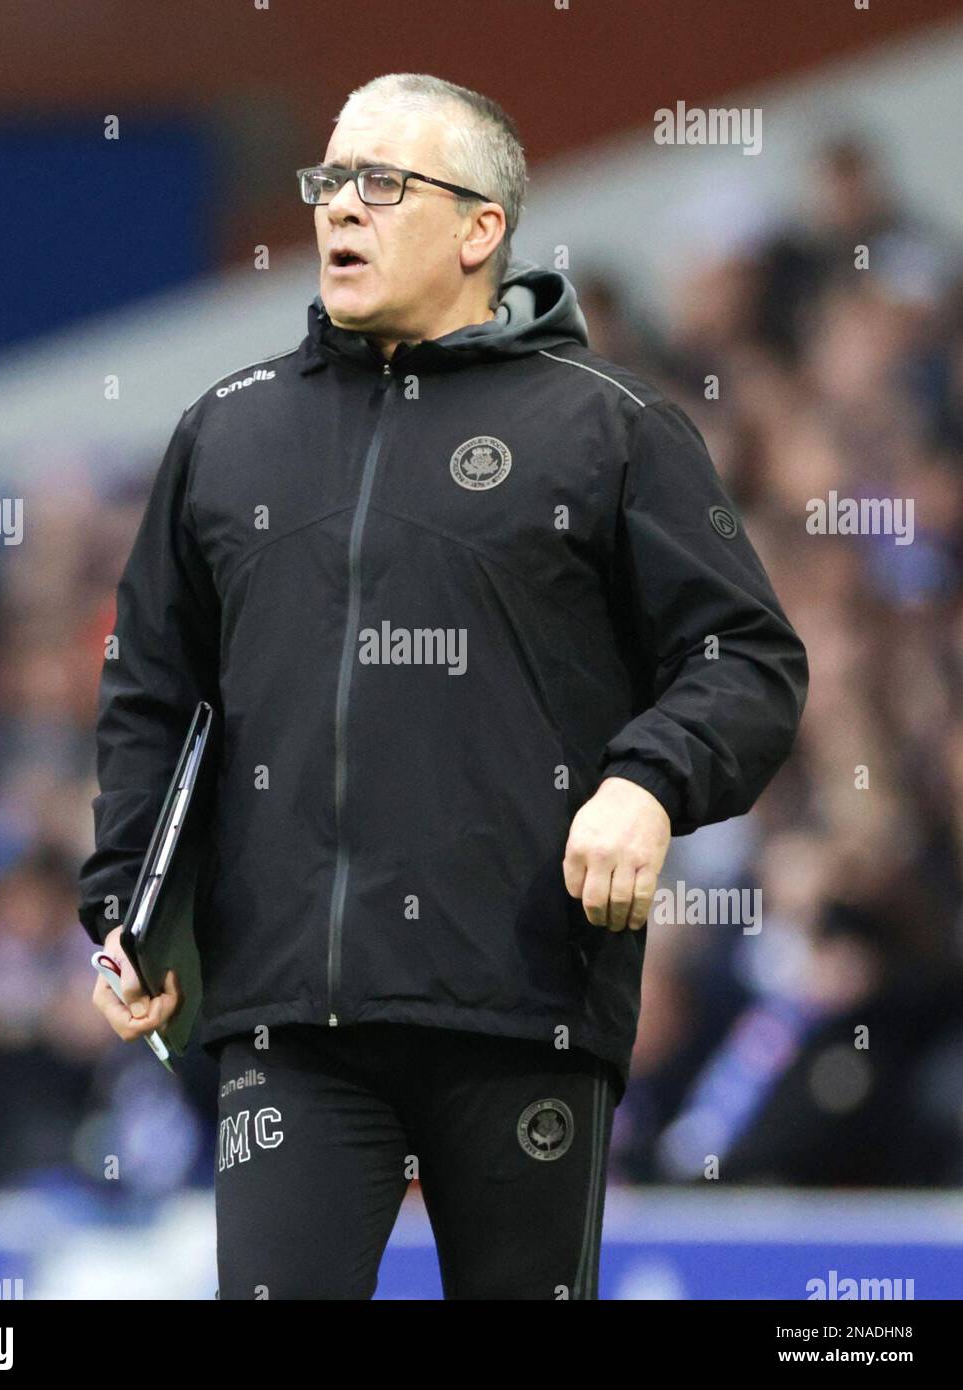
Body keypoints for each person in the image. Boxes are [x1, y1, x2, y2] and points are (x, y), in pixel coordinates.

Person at [77, 72, 809, 1300]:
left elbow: (749, 660)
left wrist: (647, 783)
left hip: (522, 1003)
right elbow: (151, 694)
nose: (337, 211)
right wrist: (126, 906)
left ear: (482, 229)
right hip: (288, 1018)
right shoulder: (227, 432)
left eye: (381, 183)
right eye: (327, 181)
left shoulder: (613, 428)